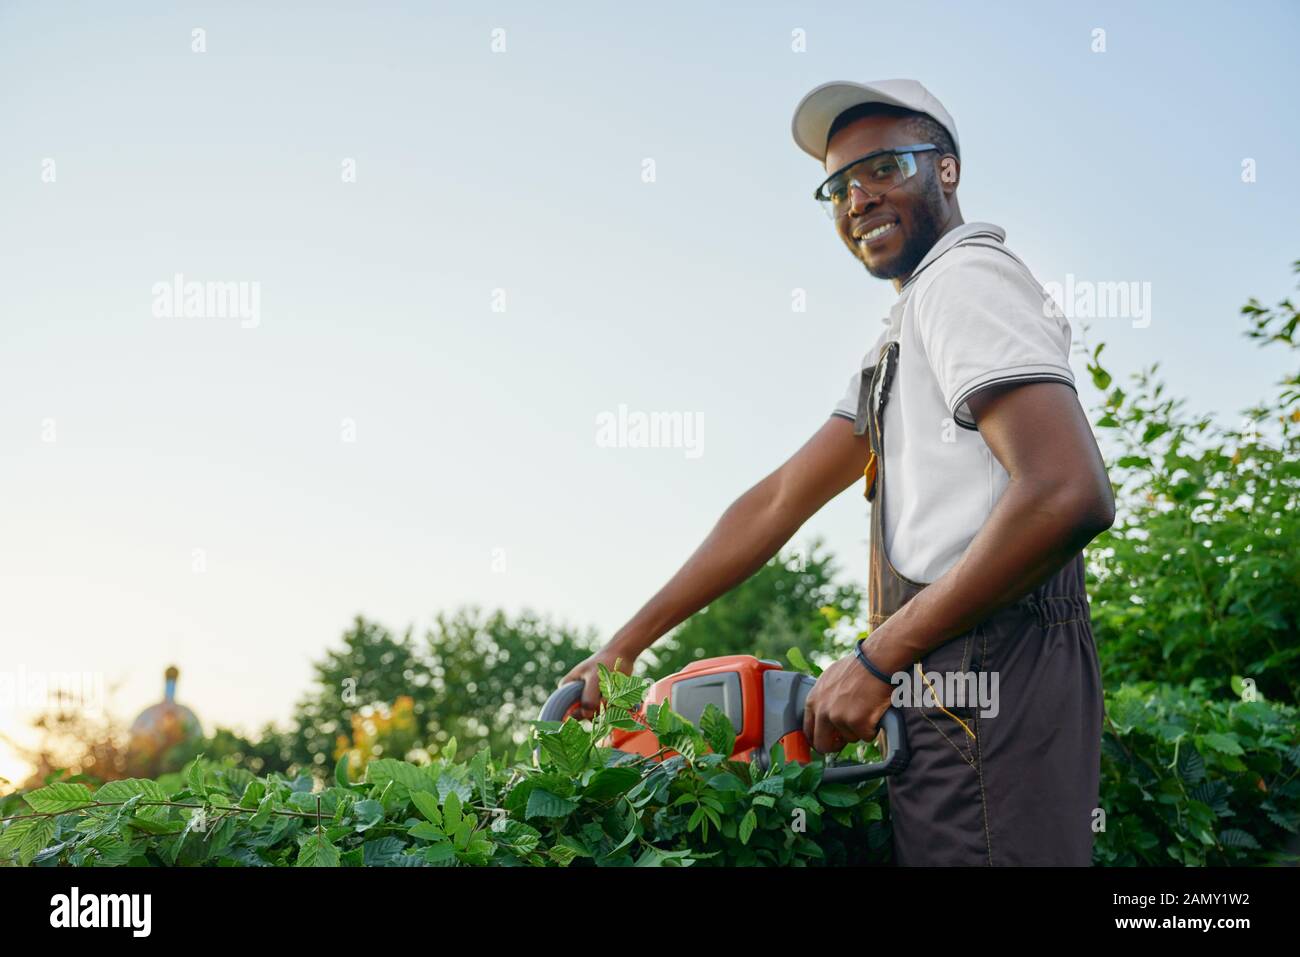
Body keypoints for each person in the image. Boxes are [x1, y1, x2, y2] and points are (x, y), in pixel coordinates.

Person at [559, 79, 1114, 866]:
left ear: (946, 170)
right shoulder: (903, 332)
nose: (858, 198)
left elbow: (1068, 493)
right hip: (951, 673)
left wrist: (878, 655)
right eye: (839, 186)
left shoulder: (966, 281)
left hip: (986, 664)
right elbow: (779, 500)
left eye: (885, 167)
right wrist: (626, 644)